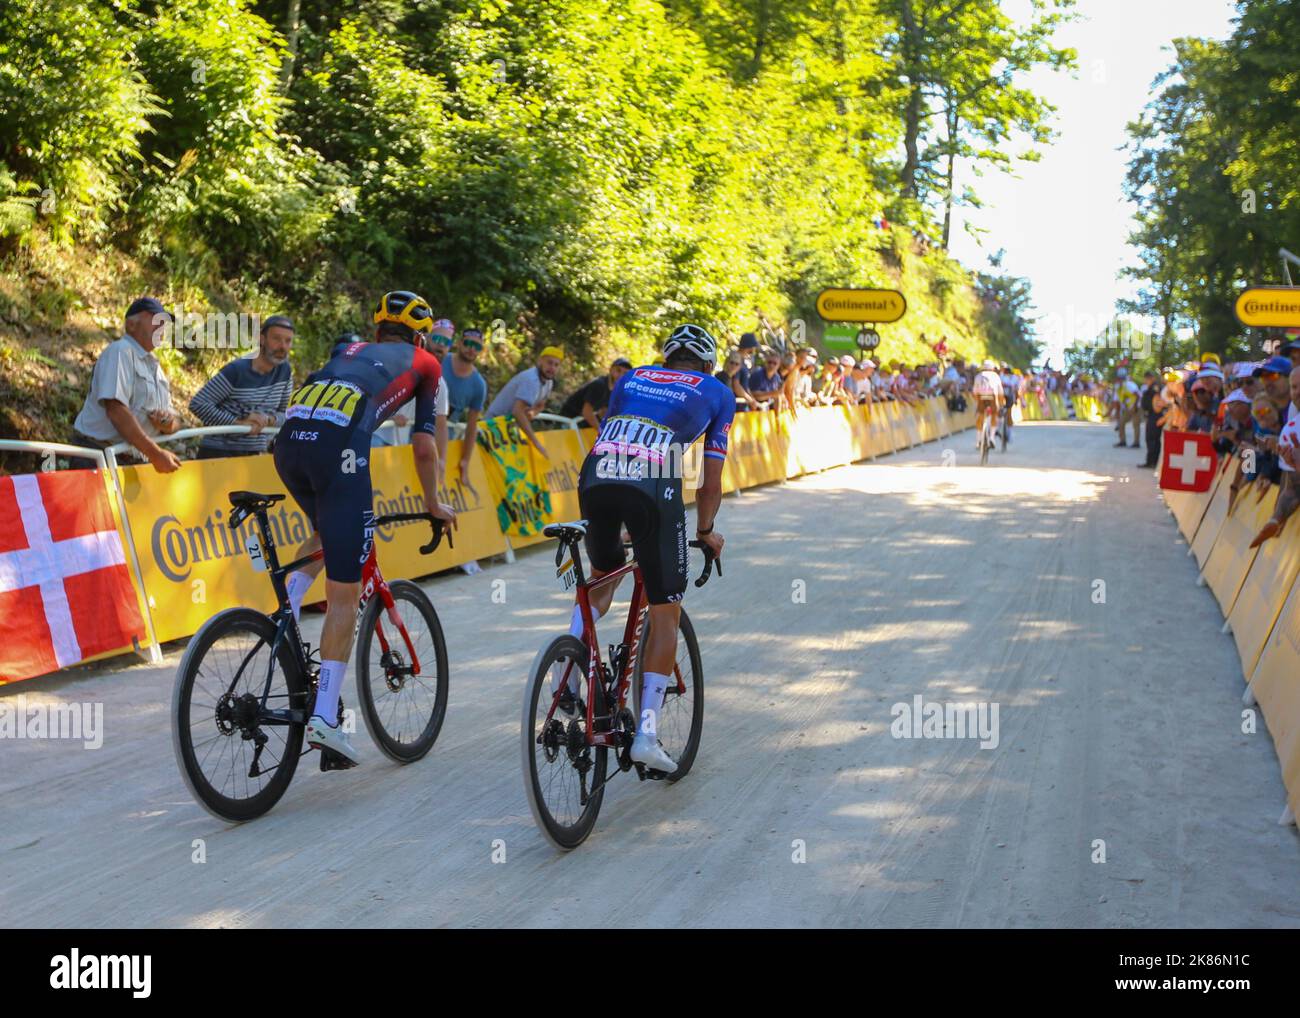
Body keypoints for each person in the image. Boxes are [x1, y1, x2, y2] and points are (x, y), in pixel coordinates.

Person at [272, 290, 458, 765]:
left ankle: (285, 612)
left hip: (289, 444)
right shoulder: (427, 363)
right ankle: (326, 720)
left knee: (325, 529)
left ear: (378, 330)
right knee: (344, 595)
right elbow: (423, 446)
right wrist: (433, 502)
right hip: (338, 451)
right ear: (422, 336)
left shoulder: (347, 351)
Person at [568, 324, 733, 773]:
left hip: (596, 477)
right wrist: (705, 531)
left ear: (665, 360)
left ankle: (565, 671)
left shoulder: (631, 377)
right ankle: (645, 734)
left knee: (602, 577)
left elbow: (617, 438)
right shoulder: (717, 390)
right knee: (666, 612)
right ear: (707, 365)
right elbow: (710, 480)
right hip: (653, 485)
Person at [72, 297, 183, 472]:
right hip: (98, 456)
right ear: (132, 324)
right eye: (156, 320)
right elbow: (116, 410)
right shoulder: (120, 352)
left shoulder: (155, 366)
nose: (162, 326)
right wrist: (155, 454)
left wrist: (168, 423)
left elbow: (176, 419)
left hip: (131, 460)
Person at [189, 314, 295, 458]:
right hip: (218, 452)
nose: (282, 347)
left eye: (288, 341)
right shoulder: (237, 370)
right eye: (276, 339)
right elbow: (198, 404)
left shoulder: (285, 372)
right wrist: (239, 423)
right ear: (262, 339)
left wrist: (269, 419)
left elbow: (287, 414)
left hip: (255, 455)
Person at [485, 346, 564, 458]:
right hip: (492, 426)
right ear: (540, 361)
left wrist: (532, 413)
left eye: (556, 365)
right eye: (549, 363)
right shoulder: (531, 379)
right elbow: (518, 412)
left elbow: (541, 405)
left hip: (508, 430)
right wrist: (536, 443)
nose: (552, 368)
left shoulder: (548, 382)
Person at [442, 327, 490, 484]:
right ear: (459, 343)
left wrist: (465, 461)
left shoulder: (479, 385)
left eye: (477, 347)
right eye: (468, 343)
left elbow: (471, 426)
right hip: (414, 423)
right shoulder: (440, 359)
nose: (471, 349)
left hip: (444, 435)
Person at [559, 357, 633, 428]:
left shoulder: (615, 391)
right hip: (568, 420)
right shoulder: (599, 384)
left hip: (580, 422)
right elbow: (587, 412)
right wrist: (600, 430)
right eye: (618, 370)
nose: (621, 376)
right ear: (611, 370)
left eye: (625, 373)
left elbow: (603, 412)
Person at [970, 358, 1004, 442]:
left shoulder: (978, 376)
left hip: (981, 396)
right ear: (992, 368)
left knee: (980, 415)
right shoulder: (995, 376)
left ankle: (979, 439)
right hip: (993, 396)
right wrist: (1001, 402)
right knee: (994, 414)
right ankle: (992, 437)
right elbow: (1000, 391)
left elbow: (974, 391)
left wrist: (977, 401)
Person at [1138, 370, 1162, 468]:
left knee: (1152, 439)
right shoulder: (1150, 388)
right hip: (1151, 415)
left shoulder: (1154, 387)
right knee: (1152, 439)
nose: (1146, 381)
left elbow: (1156, 400)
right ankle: (1151, 461)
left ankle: (1152, 462)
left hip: (1155, 415)